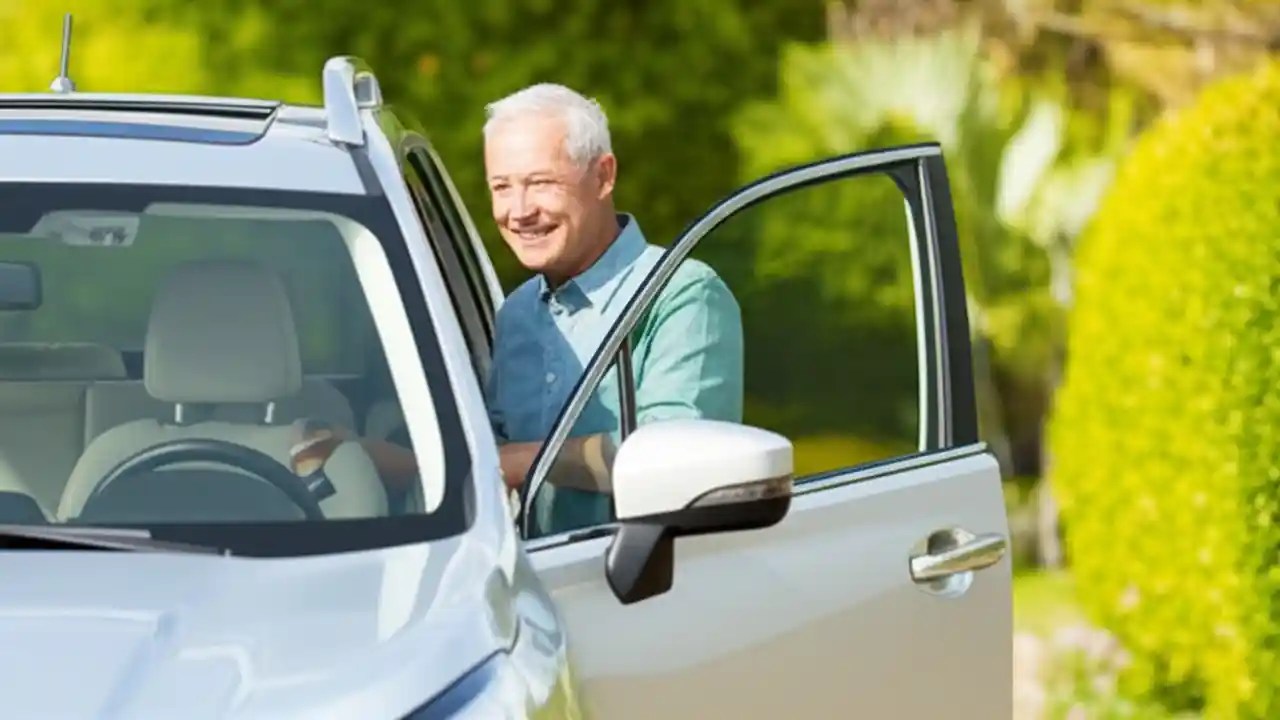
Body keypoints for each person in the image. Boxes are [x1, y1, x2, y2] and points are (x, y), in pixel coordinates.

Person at [481, 83, 744, 533]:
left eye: (541, 183)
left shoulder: (683, 294)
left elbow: (678, 462)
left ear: (603, 176)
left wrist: (518, 463)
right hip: (534, 589)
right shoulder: (515, 315)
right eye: (501, 187)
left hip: (646, 587)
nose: (518, 211)